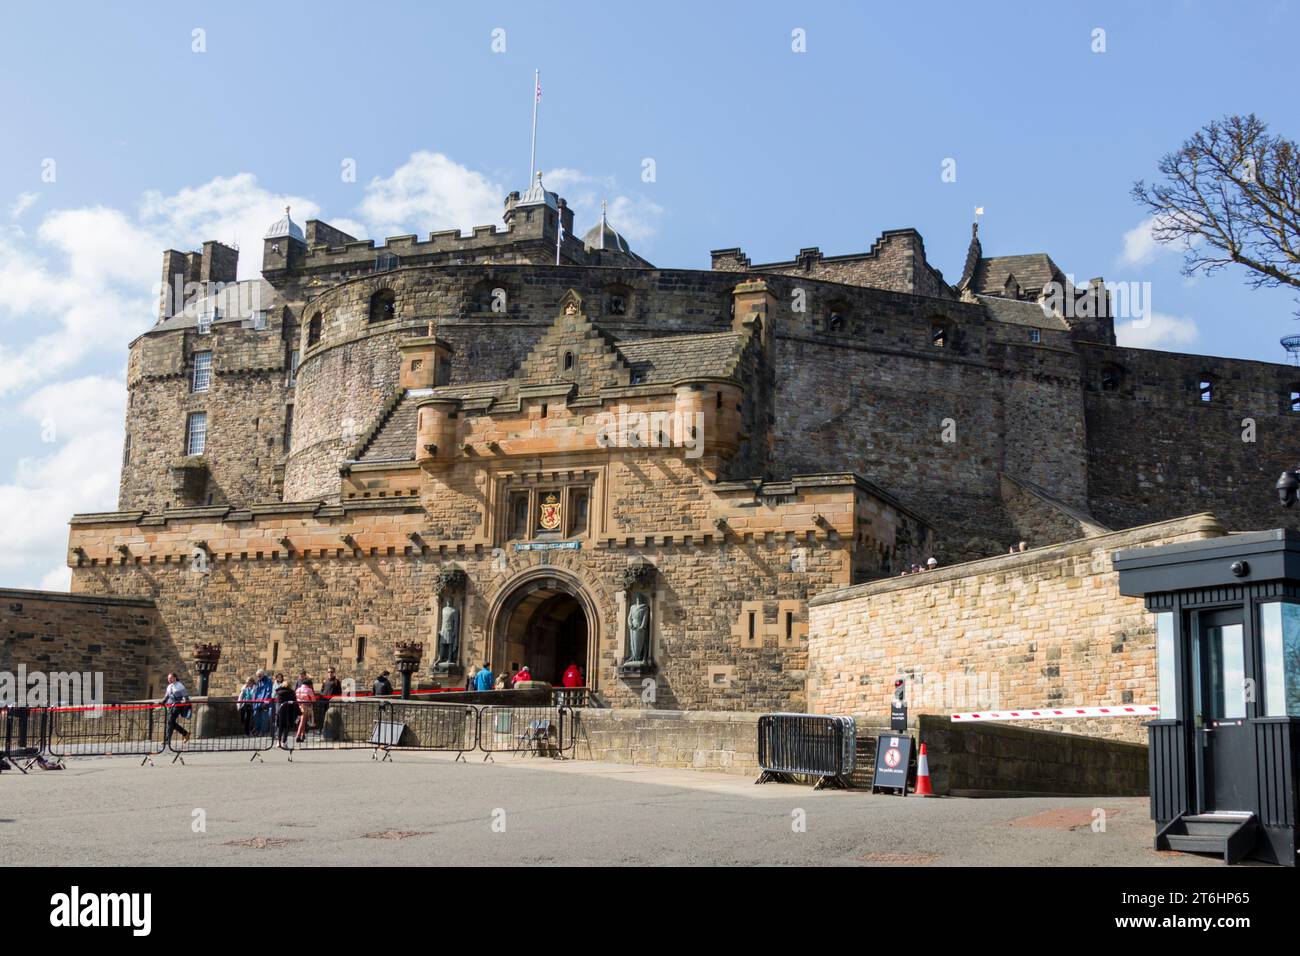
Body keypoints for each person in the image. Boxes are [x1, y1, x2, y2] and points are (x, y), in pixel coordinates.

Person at [161, 672, 191, 747]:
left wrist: (178, 702)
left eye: (170, 678)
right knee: (170, 722)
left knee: (170, 721)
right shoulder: (169, 686)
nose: (169, 680)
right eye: (168, 678)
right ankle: (185, 733)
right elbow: (167, 696)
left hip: (178, 706)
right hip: (171, 706)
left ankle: (167, 740)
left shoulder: (180, 686)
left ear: (175, 678)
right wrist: (162, 702)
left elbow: (186, 698)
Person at [274, 681, 299, 749]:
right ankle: (284, 742)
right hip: (288, 712)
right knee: (286, 727)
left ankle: (278, 742)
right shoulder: (291, 693)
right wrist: (299, 712)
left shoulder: (278, 692)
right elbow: (295, 702)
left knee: (280, 727)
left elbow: (277, 703)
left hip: (280, 711)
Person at [252, 669, 274, 734]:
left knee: (264, 717)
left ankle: (262, 731)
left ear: (263, 675)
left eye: (259, 675)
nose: (258, 677)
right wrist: (253, 701)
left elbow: (268, 691)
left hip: (264, 702)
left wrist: (265, 701)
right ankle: (257, 730)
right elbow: (254, 692)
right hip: (257, 702)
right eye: (257, 676)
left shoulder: (268, 681)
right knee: (256, 716)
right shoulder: (257, 682)